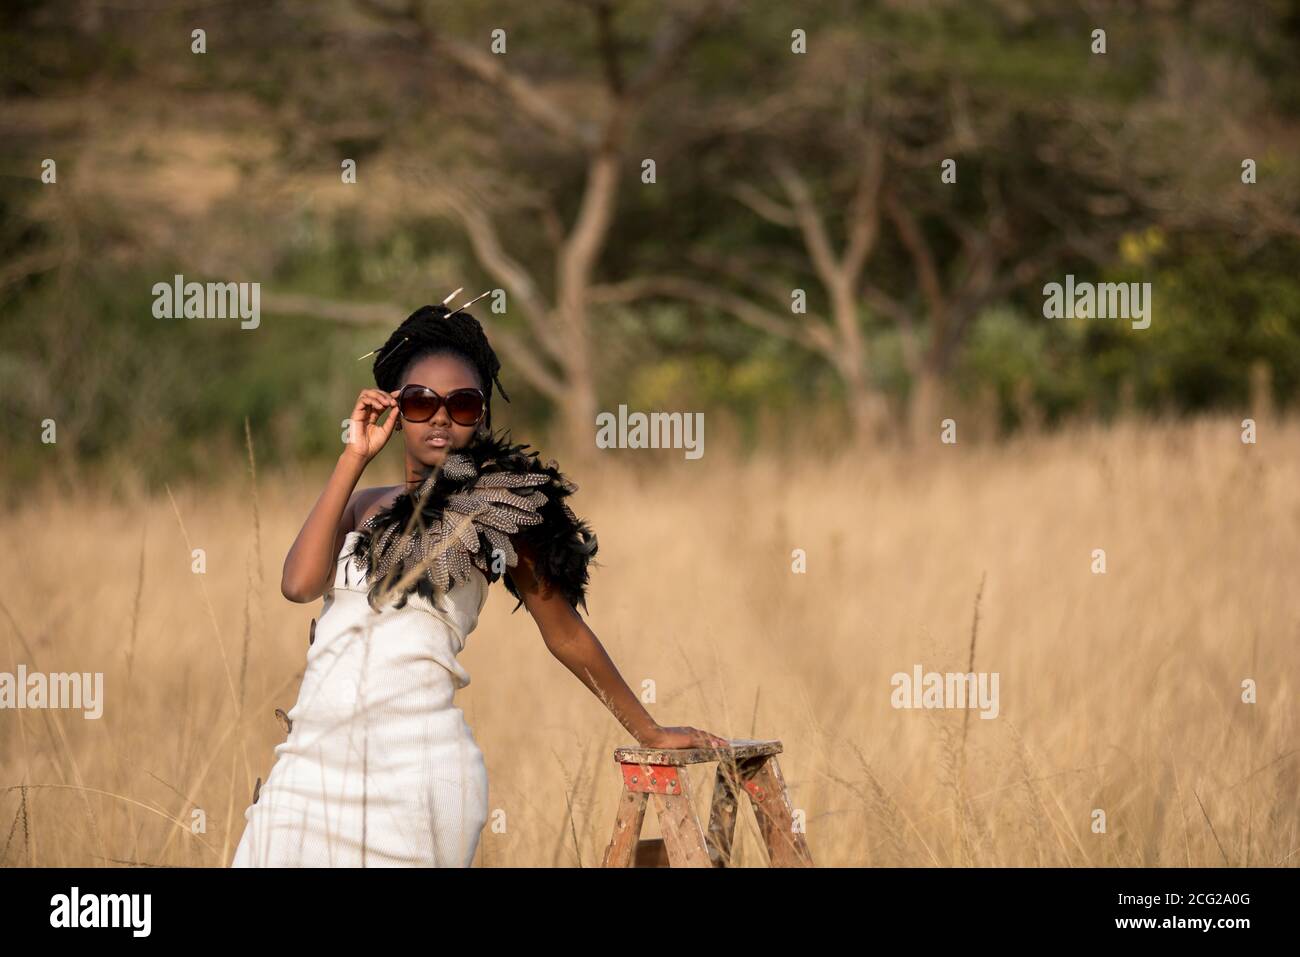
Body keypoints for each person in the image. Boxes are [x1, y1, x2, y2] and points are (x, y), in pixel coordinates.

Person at [231, 299, 728, 867]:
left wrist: (649, 730)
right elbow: (298, 584)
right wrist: (354, 457)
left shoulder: (496, 506)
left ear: (482, 417)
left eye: (461, 405)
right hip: (308, 773)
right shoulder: (359, 503)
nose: (440, 418)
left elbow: (564, 632)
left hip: (415, 782)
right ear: (394, 411)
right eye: (420, 402)